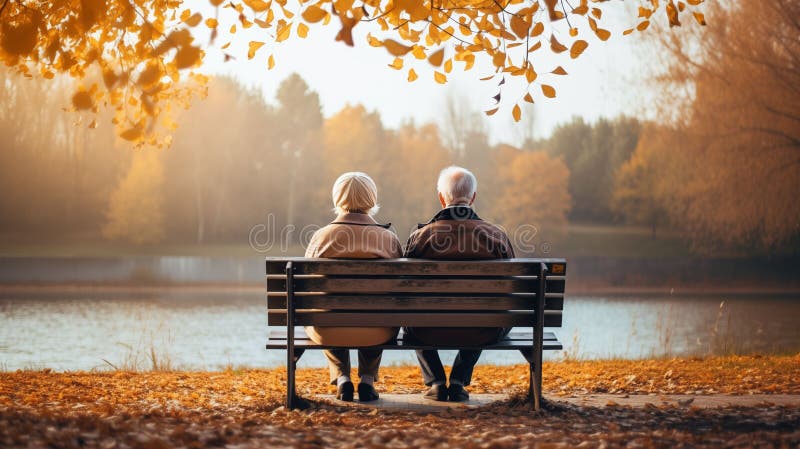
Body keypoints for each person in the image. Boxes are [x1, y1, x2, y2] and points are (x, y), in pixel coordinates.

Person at [403, 166, 515, 402]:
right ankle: (457, 381)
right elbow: (511, 289)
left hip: (425, 329)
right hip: (483, 329)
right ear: (473, 198)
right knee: (488, 312)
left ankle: (435, 381)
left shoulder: (421, 237)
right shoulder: (496, 236)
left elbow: (403, 288)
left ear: (441, 198)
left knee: (408, 315)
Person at [304, 172, 402, 402]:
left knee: (324, 312)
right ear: (372, 198)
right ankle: (367, 381)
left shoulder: (321, 238)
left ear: (336, 198)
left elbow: (308, 292)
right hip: (378, 332)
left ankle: (342, 379)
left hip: (329, 330)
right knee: (378, 310)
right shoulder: (388, 239)